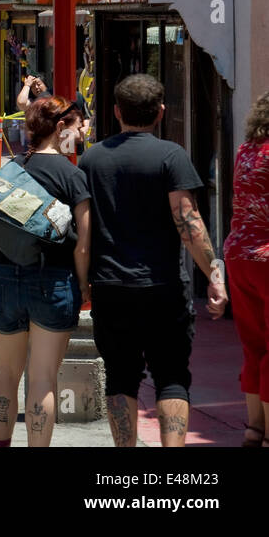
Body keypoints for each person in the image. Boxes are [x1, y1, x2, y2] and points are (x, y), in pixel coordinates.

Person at [79, 73, 227, 447]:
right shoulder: (171, 156)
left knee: (119, 376)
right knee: (172, 376)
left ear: (116, 111)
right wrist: (214, 272)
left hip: (111, 286)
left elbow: (83, 231)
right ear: (161, 112)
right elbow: (189, 224)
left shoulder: (92, 159)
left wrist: (82, 280)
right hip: (164, 286)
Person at [0, 97, 93, 448]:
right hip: (54, 280)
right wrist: (83, 284)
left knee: (4, 373)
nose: (80, 133)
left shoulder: (13, 167)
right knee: (43, 379)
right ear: (60, 128)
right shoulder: (73, 175)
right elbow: (83, 244)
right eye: (77, 126)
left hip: (4, 276)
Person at [228, 90, 269, 447]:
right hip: (267, 255)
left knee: (253, 344)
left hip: (239, 252)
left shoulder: (246, 152)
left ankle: (254, 428)